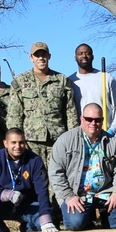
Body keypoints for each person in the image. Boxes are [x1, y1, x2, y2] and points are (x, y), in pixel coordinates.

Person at [49, 103, 116, 230]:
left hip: (106, 192)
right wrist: (68, 196)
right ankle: (85, 221)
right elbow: (55, 173)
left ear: (102, 121)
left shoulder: (113, 142)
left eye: (97, 120)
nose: (93, 123)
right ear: (81, 119)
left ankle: (109, 224)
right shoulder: (65, 141)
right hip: (77, 194)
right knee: (76, 223)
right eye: (89, 119)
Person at [6, 42, 78, 170]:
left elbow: (70, 113)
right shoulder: (20, 82)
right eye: (37, 55)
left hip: (58, 141)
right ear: (31, 58)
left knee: (57, 179)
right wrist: (18, 142)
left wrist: (73, 139)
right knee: (33, 180)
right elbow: (14, 115)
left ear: (49, 56)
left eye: (43, 55)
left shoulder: (62, 80)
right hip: (30, 142)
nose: (41, 58)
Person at [0, 128, 58, 232]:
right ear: (5, 143)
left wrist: (45, 219)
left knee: (40, 227)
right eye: (13, 142)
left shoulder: (35, 160)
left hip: (29, 205)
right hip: (4, 205)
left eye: (21, 142)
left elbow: (42, 191)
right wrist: (6, 194)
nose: (18, 146)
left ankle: (28, 228)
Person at [68, 43, 116, 136]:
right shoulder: (71, 81)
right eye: (80, 53)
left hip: (104, 133)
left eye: (87, 53)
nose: (84, 56)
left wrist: (113, 129)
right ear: (75, 57)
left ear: (93, 56)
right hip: (81, 135)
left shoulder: (106, 78)